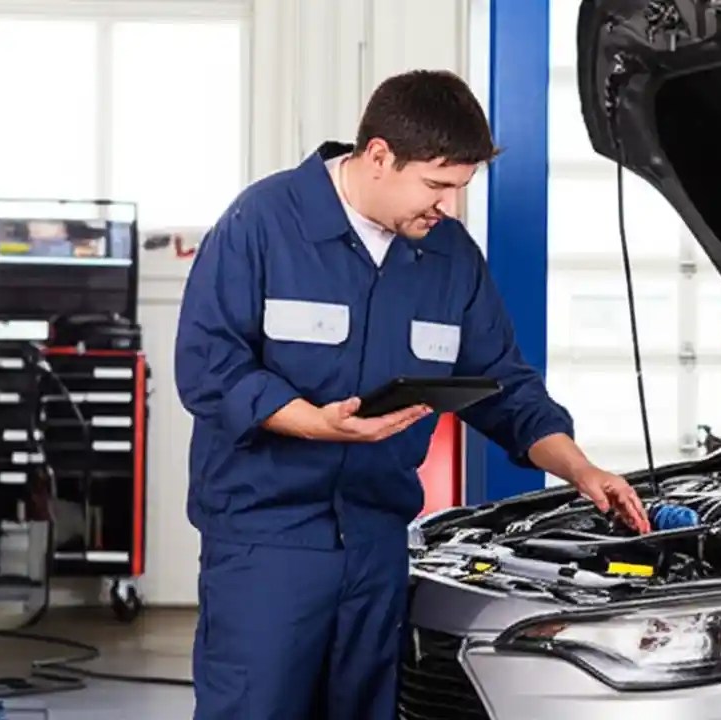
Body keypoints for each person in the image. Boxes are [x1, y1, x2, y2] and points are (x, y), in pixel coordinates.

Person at [174, 69, 652, 720]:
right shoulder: (262, 223)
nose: (448, 207)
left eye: (459, 189)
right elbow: (209, 365)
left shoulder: (450, 256)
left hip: (377, 545)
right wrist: (316, 424)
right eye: (436, 186)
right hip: (268, 543)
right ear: (378, 157)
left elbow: (503, 384)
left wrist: (580, 468)